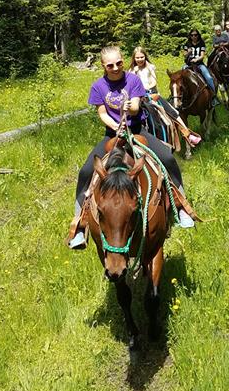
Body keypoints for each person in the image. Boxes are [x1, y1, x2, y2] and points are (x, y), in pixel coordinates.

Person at [69, 45, 196, 249]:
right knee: (85, 172)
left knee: (167, 158)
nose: (116, 68)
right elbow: (102, 113)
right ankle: (79, 225)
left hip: (137, 130)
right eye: (110, 65)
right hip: (113, 134)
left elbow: (136, 107)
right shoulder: (98, 86)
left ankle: (181, 207)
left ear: (123, 61)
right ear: (103, 65)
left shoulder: (133, 80)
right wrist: (115, 126)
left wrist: (130, 108)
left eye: (119, 63)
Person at [130, 46, 201, 148]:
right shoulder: (131, 71)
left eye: (142, 57)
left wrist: (145, 89)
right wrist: (134, 74)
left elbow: (154, 82)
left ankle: (187, 133)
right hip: (138, 98)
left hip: (152, 95)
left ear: (145, 57)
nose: (140, 59)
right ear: (134, 58)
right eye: (137, 58)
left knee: (172, 111)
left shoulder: (150, 67)